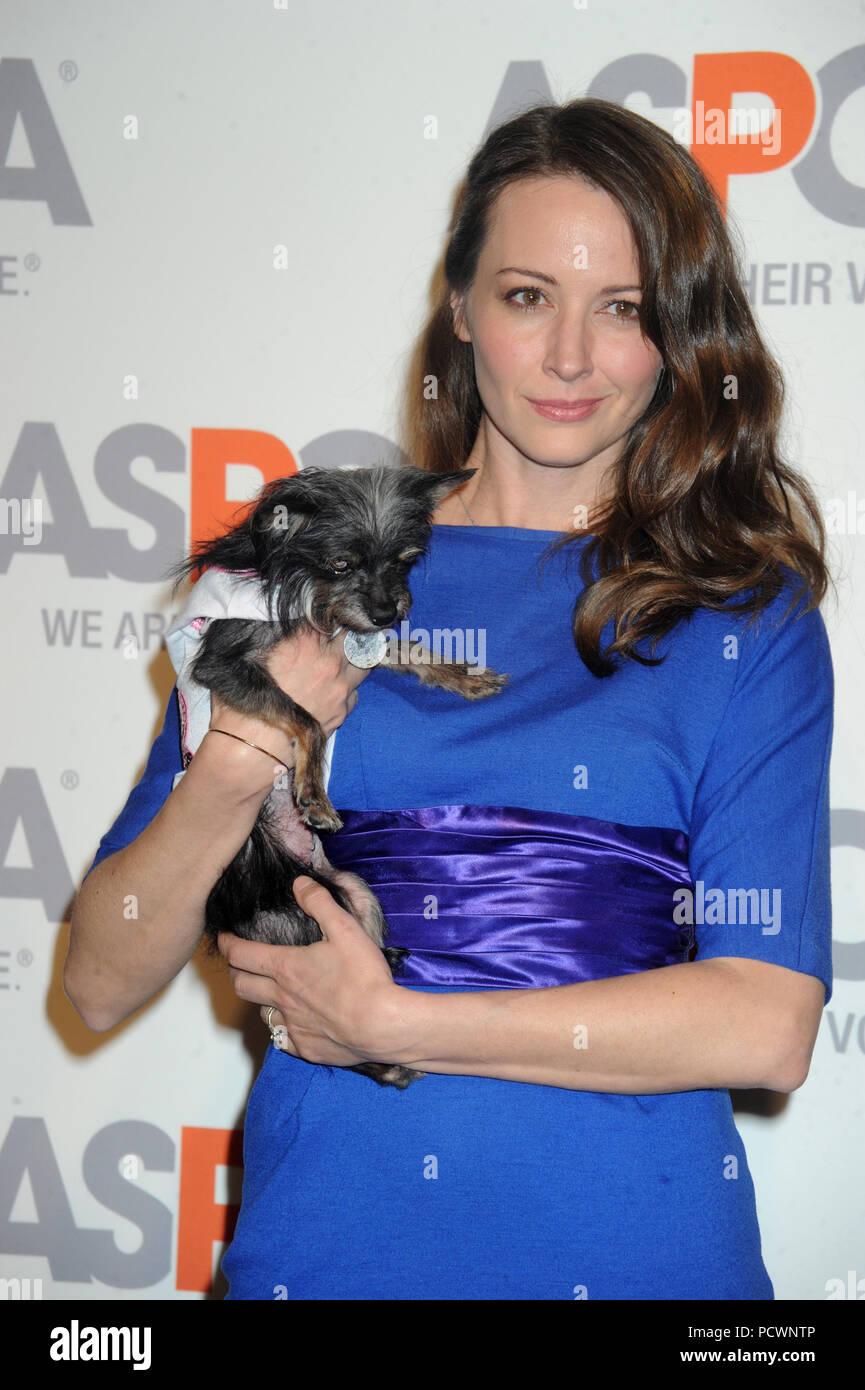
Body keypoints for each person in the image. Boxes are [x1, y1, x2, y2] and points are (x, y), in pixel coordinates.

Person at [65, 97, 834, 1300]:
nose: (571, 357)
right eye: (528, 296)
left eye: (621, 309)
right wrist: (242, 751)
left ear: (676, 335)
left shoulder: (744, 617)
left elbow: (764, 1025)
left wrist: (394, 1023)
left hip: (643, 1264)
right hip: (325, 1261)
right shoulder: (302, 572)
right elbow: (98, 978)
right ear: (463, 310)